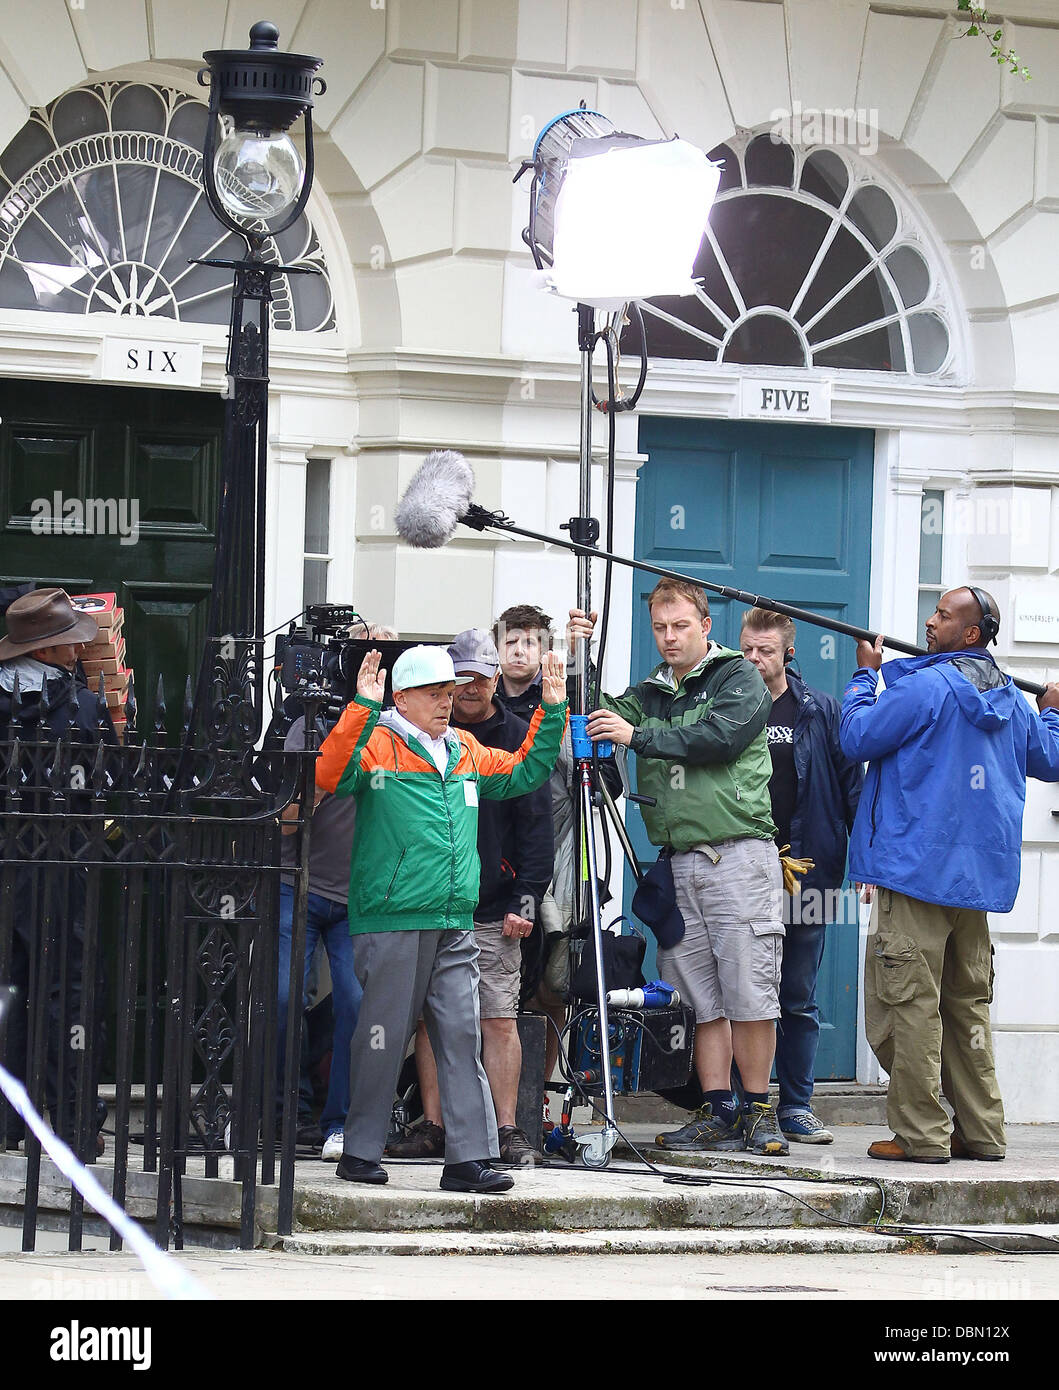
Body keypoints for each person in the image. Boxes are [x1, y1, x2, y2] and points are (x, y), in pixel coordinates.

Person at [314, 642, 567, 1192]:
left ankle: (468, 1158)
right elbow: (331, 773)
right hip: (392, 916)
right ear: (401, 697)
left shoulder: (464, 749)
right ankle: (359, 1148)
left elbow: (526, 772)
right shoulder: (379, 742)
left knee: (458, 1034)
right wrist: (359, 705)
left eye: (449, 693)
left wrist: (551, 709)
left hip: (454, 915)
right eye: (434, 693)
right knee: (382, 1036)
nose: (446, 702)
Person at [841, 587, 1059, 1163]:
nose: (930, 621)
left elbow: (856, 737)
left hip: (912, 874)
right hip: (976, 885)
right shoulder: (1013, 700)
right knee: (967, 1006)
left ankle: (921, 1135)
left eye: (943, 615)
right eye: (934, 610)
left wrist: (867, 677)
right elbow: (1051, 760)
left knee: (907, 1005)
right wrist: (1054, 712)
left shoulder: (922, 688)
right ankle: (982, 1131)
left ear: (971, 634)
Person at [583, 579, 790, 1156]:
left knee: (749, 991)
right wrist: (578, 652)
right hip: (677, 862)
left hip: (738, 855)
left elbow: (717, 738)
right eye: (660, 628)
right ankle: (719, 1108)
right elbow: (598, 714)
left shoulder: (738, 678)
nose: (669, 638)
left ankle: (761, 1111)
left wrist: (638, 736)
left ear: (705, 624)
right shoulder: (651, 690)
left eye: (680, 626)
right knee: (697, 997)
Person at [387, 629, 554, 1166]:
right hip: (434, 904)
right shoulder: (424, 736)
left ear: (495, 680)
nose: (471, 688)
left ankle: (506, 1130)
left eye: (482, 678)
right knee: (430, 1022)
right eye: (461, 679)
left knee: (498, 1018)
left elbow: (538, 828)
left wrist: (526, 899)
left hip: (497, 905)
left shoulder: (510, 735)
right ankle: (434, 1124)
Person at [739, 608, 864, 1144]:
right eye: (746, 649)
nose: (753, 659)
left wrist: (861, 862)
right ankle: (744, 1106)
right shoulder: (728, 706)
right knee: (740, 993)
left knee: (798, 993)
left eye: (764, 650)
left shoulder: (821, 711)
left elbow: (851, 787)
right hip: (741, 870)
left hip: (812, 870)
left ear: (788, 653)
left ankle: (796, 1105)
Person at [0, 588, 115, 1160]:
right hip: (61, 865)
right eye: (70, 643)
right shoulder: (82, 709)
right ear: (47, 652)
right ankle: (68, 1121)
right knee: (64, 991)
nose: (77, 652)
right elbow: (112, 793)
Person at [275, 622, 395, 1161]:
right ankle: (283, 1112)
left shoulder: (399, 736)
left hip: (358, 897)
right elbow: (286, 821)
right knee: (281, 998)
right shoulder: (312, 726)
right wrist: (319, 787)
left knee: (356, 1003)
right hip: (295, 883)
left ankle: (341, 1122)